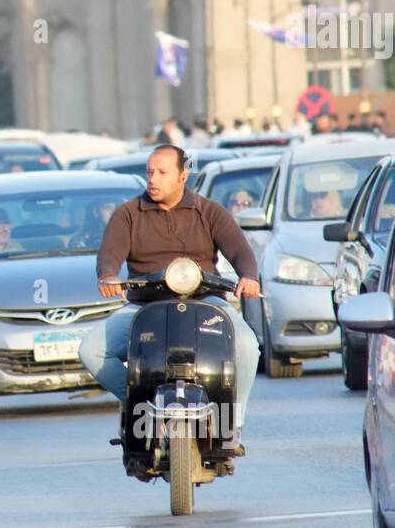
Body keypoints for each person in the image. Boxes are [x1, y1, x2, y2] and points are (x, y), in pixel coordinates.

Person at [78, 145, 262, 449]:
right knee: (92, 350)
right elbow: (109, 255)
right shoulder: (128, 214)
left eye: (162, 173)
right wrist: (108, 276)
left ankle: (231, 422)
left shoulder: (208, 211)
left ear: (182, 176)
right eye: (149, 172)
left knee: (246, 346)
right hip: (145, 306)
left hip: (206, 303)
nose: (153, 179)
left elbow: (240, 250)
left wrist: (249, 276)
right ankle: (141, 401)